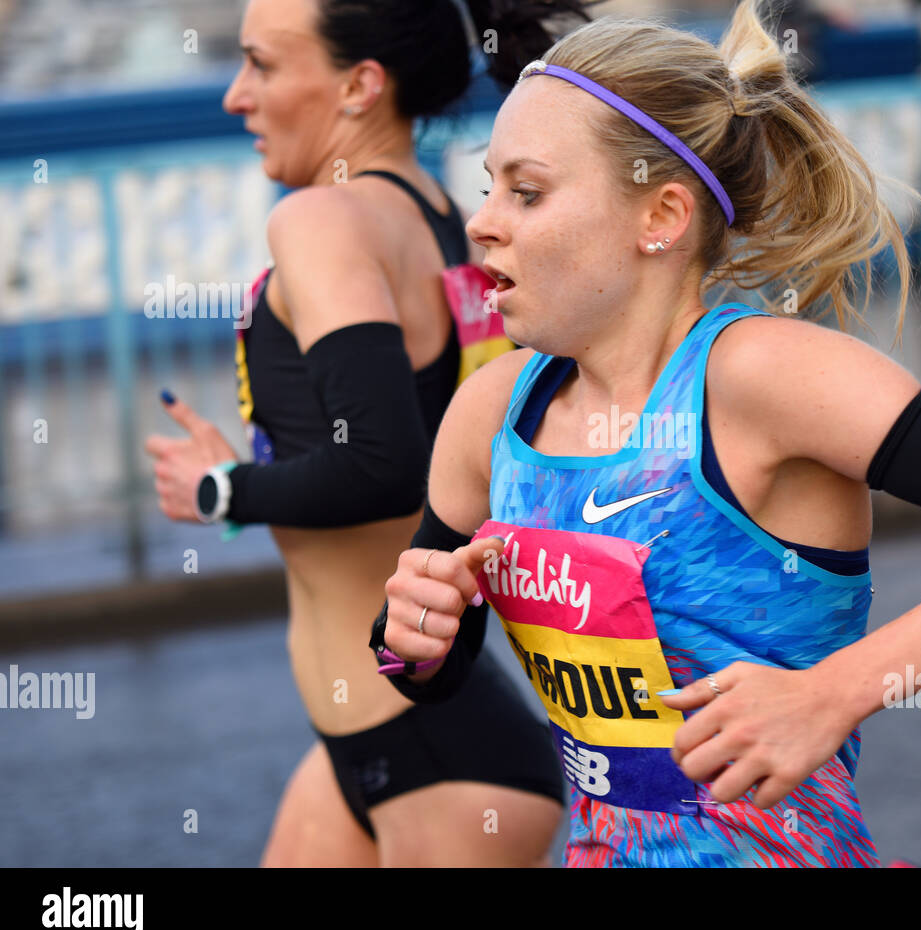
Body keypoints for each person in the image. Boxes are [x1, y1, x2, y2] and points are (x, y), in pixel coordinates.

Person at [374, 0, 921, 867]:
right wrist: (412, 635)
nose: (483, 221)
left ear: (660, 217)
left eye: (528, 191)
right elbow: (422, 670)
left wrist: (833, 694)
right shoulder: (493, 412)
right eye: (488, 188)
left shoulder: (761, 379)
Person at [142, 0, 592, 867]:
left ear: (361, 85)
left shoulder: (321, 219)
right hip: (379, 736)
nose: (237, 96)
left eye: (263, 65)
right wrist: (239, 486)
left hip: (439, 762)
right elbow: (406, 449)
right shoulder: (438, 213)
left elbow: (387, 466)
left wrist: (218, 492)